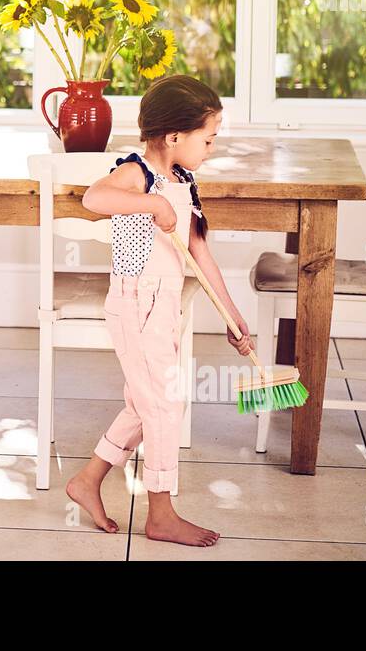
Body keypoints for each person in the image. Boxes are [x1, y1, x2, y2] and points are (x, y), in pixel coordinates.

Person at [64, 74, 254, 545]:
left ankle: (87, 480)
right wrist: (151, 204)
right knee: (165, 403)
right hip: (135, 303)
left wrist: (232, 314)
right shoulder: (138, 173)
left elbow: (200, 253)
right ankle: (161, 512)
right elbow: (94, 197)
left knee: (144, 402)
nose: (211, 147)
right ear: (174, 136)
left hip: (165, 305)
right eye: (207, 138)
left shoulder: (183, 180)